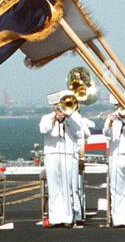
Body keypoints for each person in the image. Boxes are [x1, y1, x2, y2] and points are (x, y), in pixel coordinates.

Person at [39, 93, 92, 227]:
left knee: (67, 187)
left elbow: (79, 133)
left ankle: (68, 217)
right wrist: (54, 118)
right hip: (52, 153)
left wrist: (68, 118)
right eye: (57, 106)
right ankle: (55, 218)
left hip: (68, 153)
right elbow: (44, 129)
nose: (59, 109)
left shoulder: (73, 118)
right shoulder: (46, 117)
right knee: (54, 187)